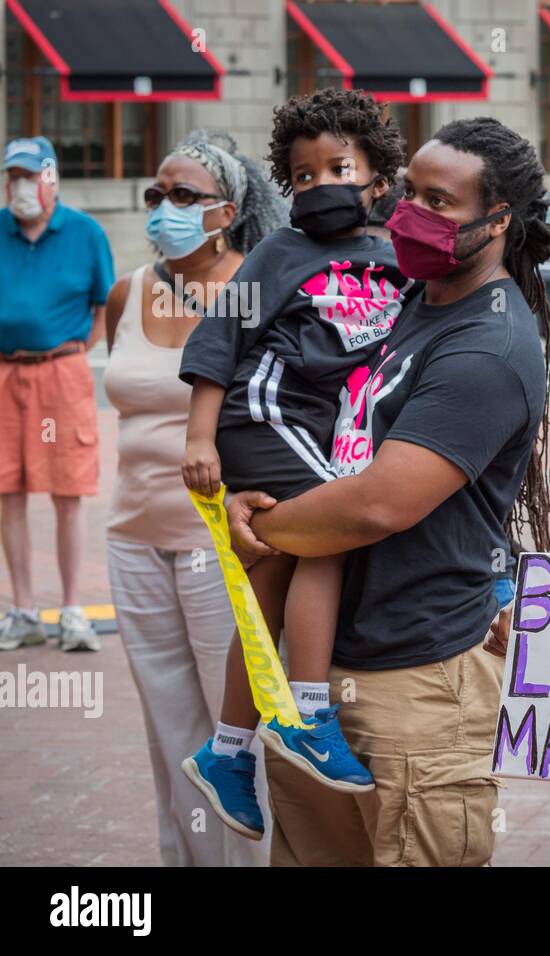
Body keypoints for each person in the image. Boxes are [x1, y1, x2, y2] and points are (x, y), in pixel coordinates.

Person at [223, 117, 550, 867]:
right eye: (409, 190)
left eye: (439, 201)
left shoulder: (490, 344)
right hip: (319, 682)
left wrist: (264, 524)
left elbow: (379, 503)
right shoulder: (414, 296)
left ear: (498, 220)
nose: (410, 212)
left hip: (413, 689)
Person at [178, 88, 414, 839]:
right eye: (303, 175)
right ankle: (311, 715)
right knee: (336, 526)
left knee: (272, 580)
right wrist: (199, 438)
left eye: (337, 168)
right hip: (266, 415)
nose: (319, 185)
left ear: (379, 176)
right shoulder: (281, 252)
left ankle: (228, 751)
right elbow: (219, 343)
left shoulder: (395, 257)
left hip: (324, 430)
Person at [104, 130, 286, 865]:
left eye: (183, 196)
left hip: (222, 539)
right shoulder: (128, 289)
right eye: (156, 195)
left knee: (231, 730)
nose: (164, 209)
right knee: (167, 724)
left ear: (228, 210)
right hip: (130, 531)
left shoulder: (256, 290)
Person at [0, 136, 114, 653]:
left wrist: (67, 355)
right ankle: (23, 609)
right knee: (7, 491)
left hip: (61, 372)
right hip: (4, 372)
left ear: (50, 178)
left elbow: (102, 309)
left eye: (28, 176)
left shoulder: (86, 233)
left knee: (69, 491)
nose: (18, 186)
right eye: (12, 177)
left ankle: (72, 610)